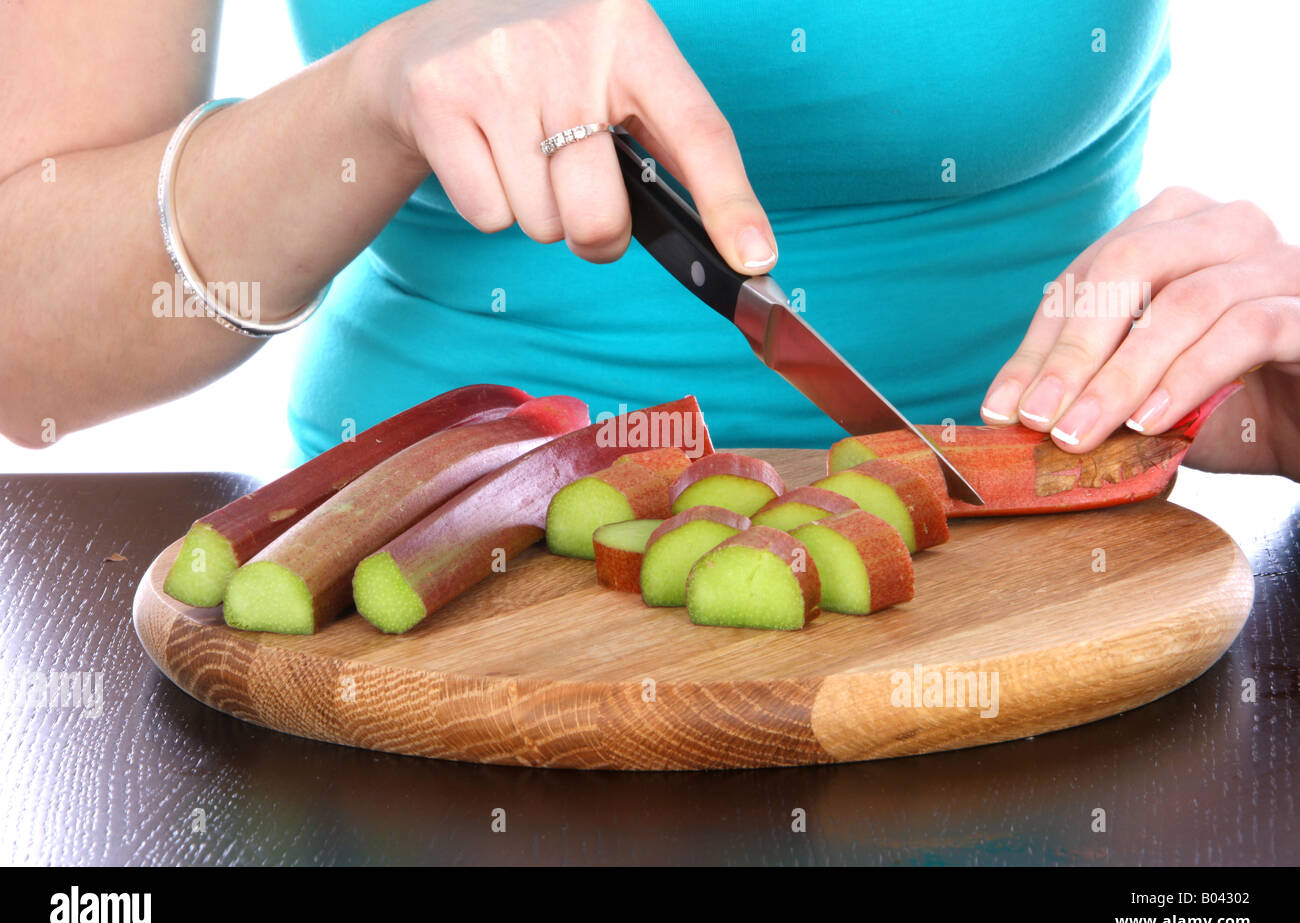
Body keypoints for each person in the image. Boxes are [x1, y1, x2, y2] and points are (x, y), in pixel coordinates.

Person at [1, 1, 1296, 480]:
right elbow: (30, 353)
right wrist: (373, 90)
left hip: (1055, 616)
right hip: (434, 661)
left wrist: (1253, 384)